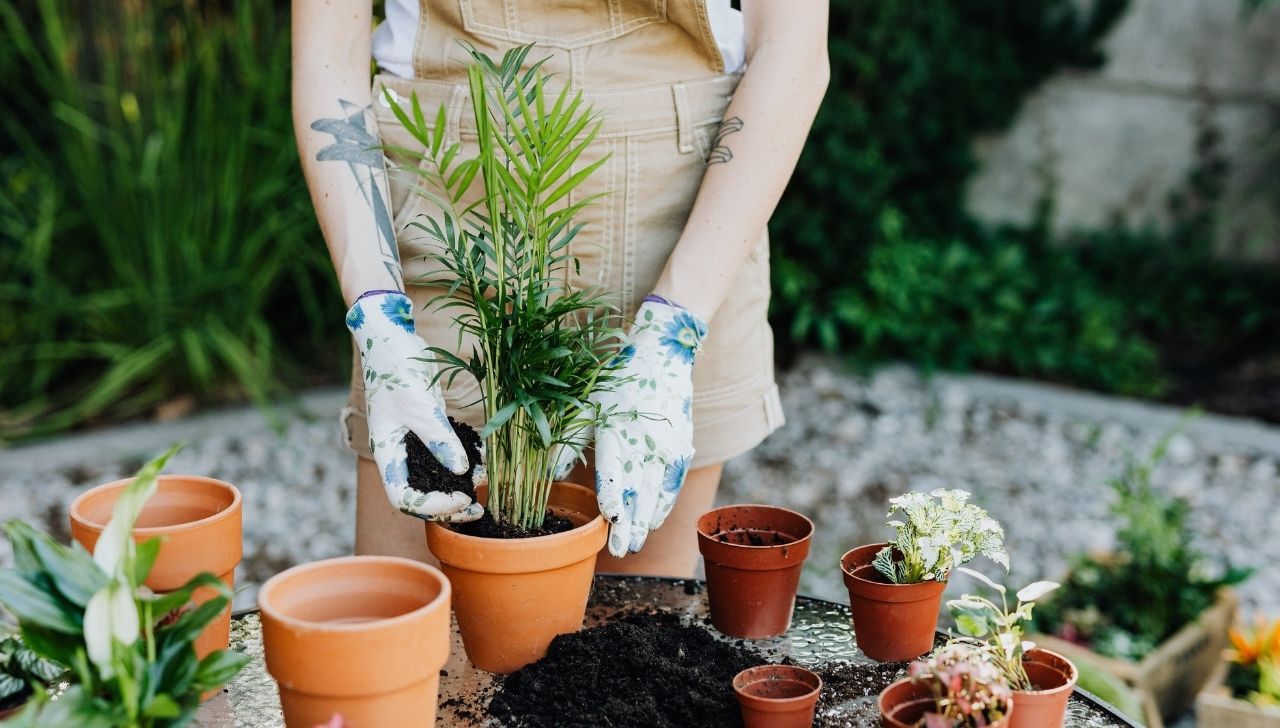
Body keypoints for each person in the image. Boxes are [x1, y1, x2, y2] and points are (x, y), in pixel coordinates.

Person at [293, 0, 828, 577]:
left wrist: (675, 323)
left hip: (681, 218)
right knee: (414, 636)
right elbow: (329, 54)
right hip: (449, 200)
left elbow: (792, 46)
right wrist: (377, 314)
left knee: (637, 642)